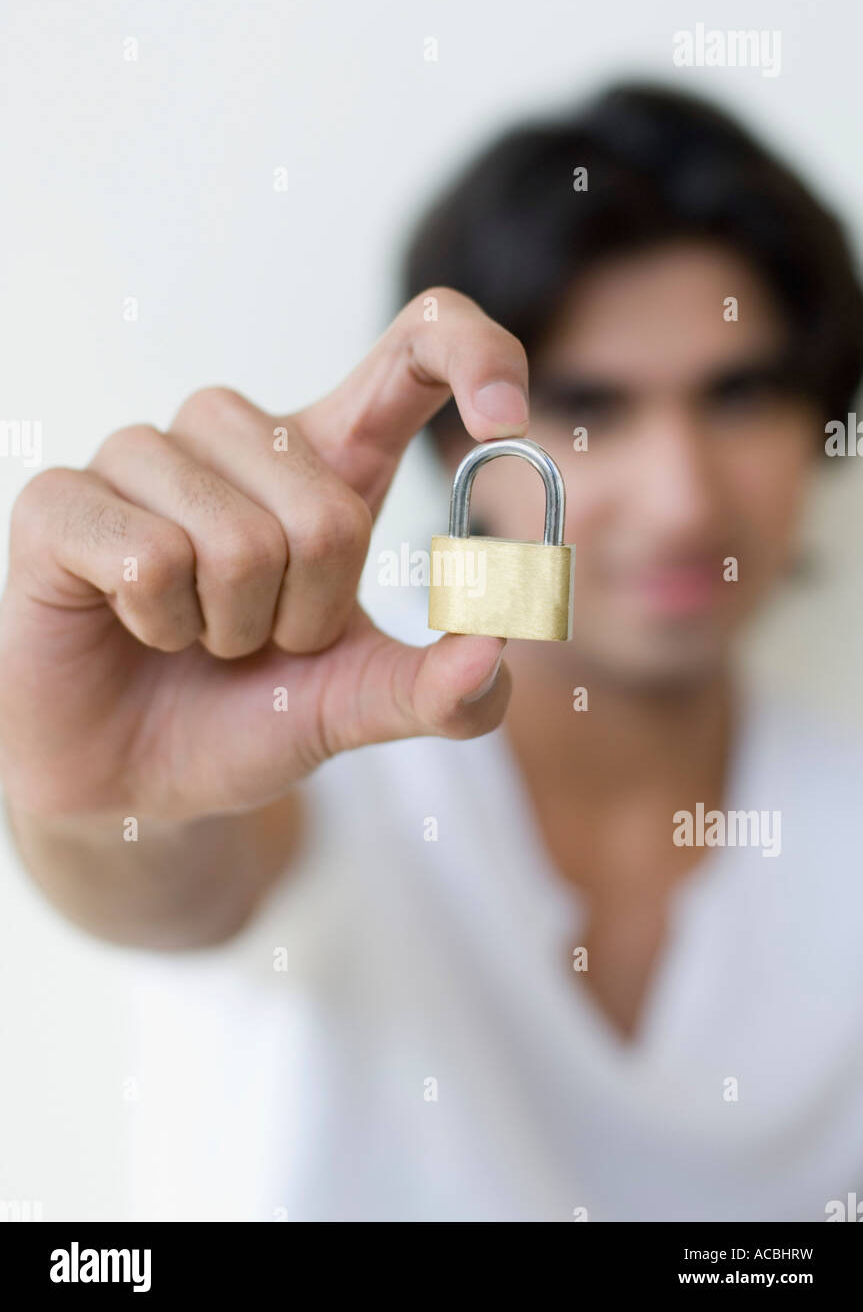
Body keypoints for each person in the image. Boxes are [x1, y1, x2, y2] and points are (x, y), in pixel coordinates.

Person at [2, 83, 863, 1222]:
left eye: (738, 394)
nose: (678, 498)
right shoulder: (304, 696)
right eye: (589, 406)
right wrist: (101, 800)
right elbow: (170, 878)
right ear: (460, 431)